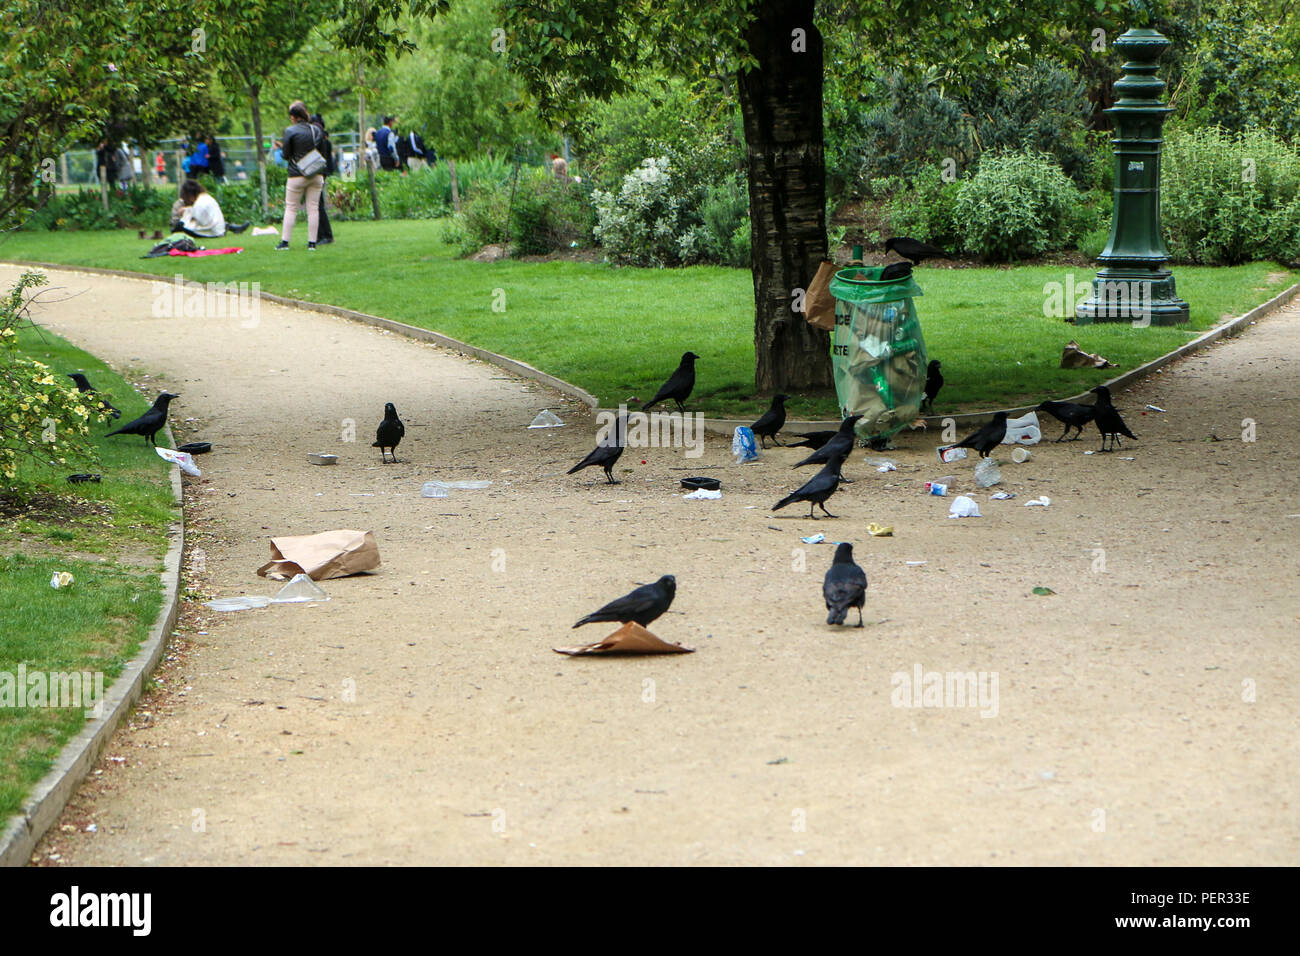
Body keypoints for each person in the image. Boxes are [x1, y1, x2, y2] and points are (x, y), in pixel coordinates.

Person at [276, 101, 325, 251]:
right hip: (315, 173)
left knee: (291, 208)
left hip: (296, 174)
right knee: (313, 208)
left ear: (294, 117)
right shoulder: (315, 129)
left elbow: (285, 155)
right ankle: (312, 243)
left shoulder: (290, 131)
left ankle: (285, 242)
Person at [169, 179, 249, 238]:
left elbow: (199, 219)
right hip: (218, 229)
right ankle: (233, 227)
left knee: (181, 227)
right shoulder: (206, 197)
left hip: (213, 232)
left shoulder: (199, 203)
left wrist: (186, 213)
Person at [309, 113, 334, 245]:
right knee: (318, 204)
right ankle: (322, 235)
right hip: (322, 171)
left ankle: (325, 235)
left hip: (317, 171)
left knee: (318, 204)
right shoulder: (322, 135)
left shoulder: (316, 134)